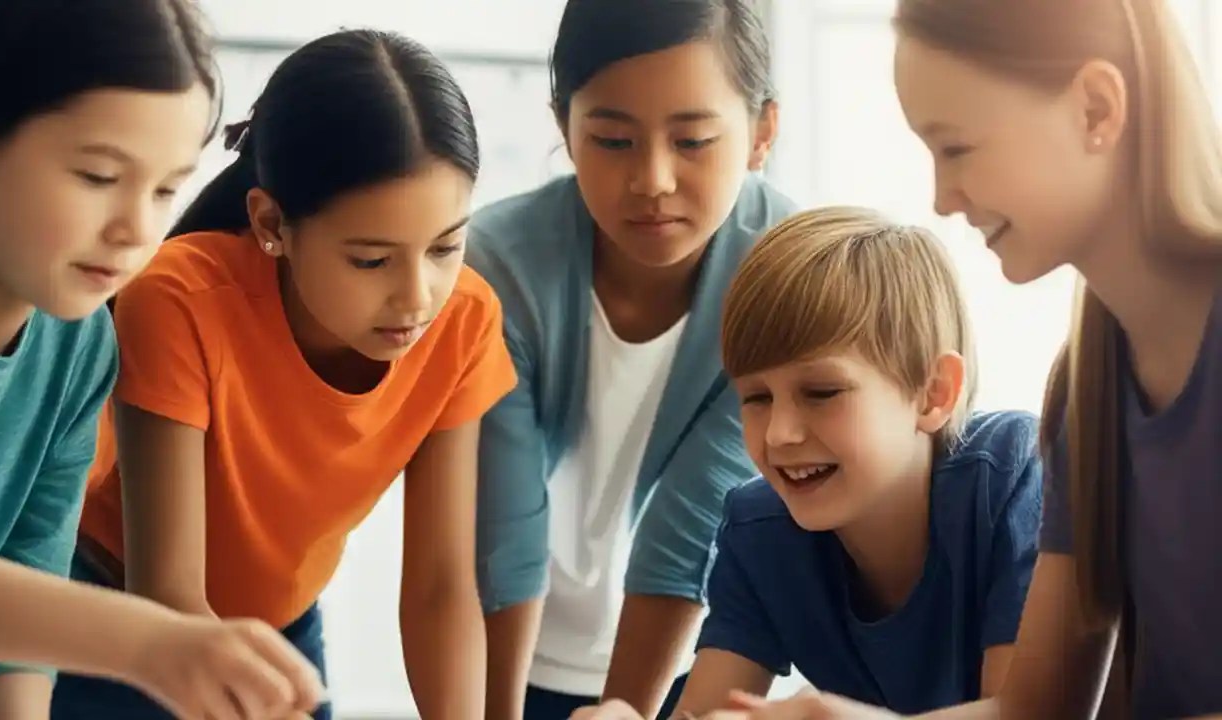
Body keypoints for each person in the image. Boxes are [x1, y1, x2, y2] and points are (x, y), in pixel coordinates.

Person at [695, 0, 1222, 718]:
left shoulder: (1015, 467)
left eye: (958, 148)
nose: (942, 199)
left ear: (1096, 108)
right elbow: (1035, 711)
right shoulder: (1087, 386)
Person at [48, 27, 517, 720]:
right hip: (119, 628)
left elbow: (440, 588)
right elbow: (167, 591)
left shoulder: (465, 319)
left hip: (277, 629)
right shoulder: (179, 297)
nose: (418, 296)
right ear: (271, 222)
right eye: (370, 259)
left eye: (446, 246)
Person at [0, 1, 326, 718]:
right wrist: (152, 643)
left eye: (164, 189)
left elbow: (22, 594)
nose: (136, 229)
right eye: (97, 177)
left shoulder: (79, 344)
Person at [578, 207, 1043, 720]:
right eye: (755, 398)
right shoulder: (760, 530)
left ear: (934, 393)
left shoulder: (1014, 475)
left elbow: (1032, 712)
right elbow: (706, 712)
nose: (779, 433)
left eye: (821, 393)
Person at [466, 0, 792, 717]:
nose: (652, 180)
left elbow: (691, 527)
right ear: (564, 127)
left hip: (696, 659)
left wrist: (625, 712)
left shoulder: (785, 271)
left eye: (695, 140)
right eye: (612, 140)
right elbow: (503, 524)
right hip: (509, 651)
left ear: (762, 130)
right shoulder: (497, 268)